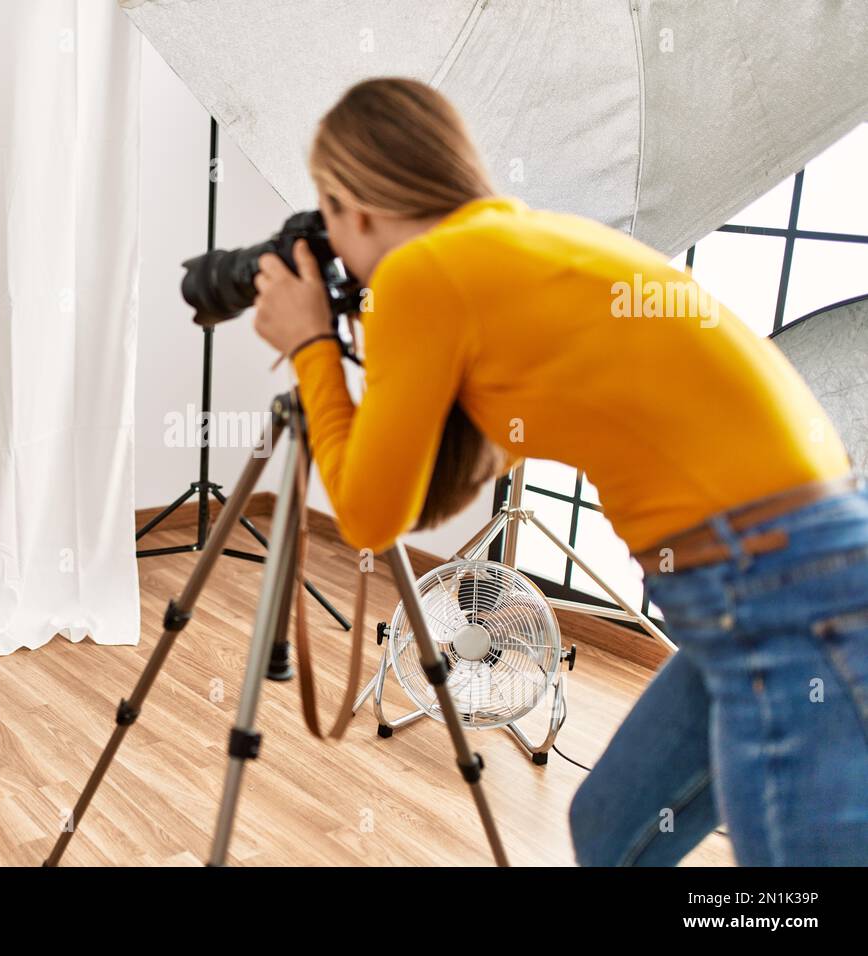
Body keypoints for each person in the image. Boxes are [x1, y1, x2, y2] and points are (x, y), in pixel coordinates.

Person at [251, 77, 868, 866]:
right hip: (792, 569)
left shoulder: (426, 273)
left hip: (779, 585)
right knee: (610, 830)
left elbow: (369, 521)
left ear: (356, 207)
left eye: (329, 219)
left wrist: (311, 347)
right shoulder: (521, 246)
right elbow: (444, 483)